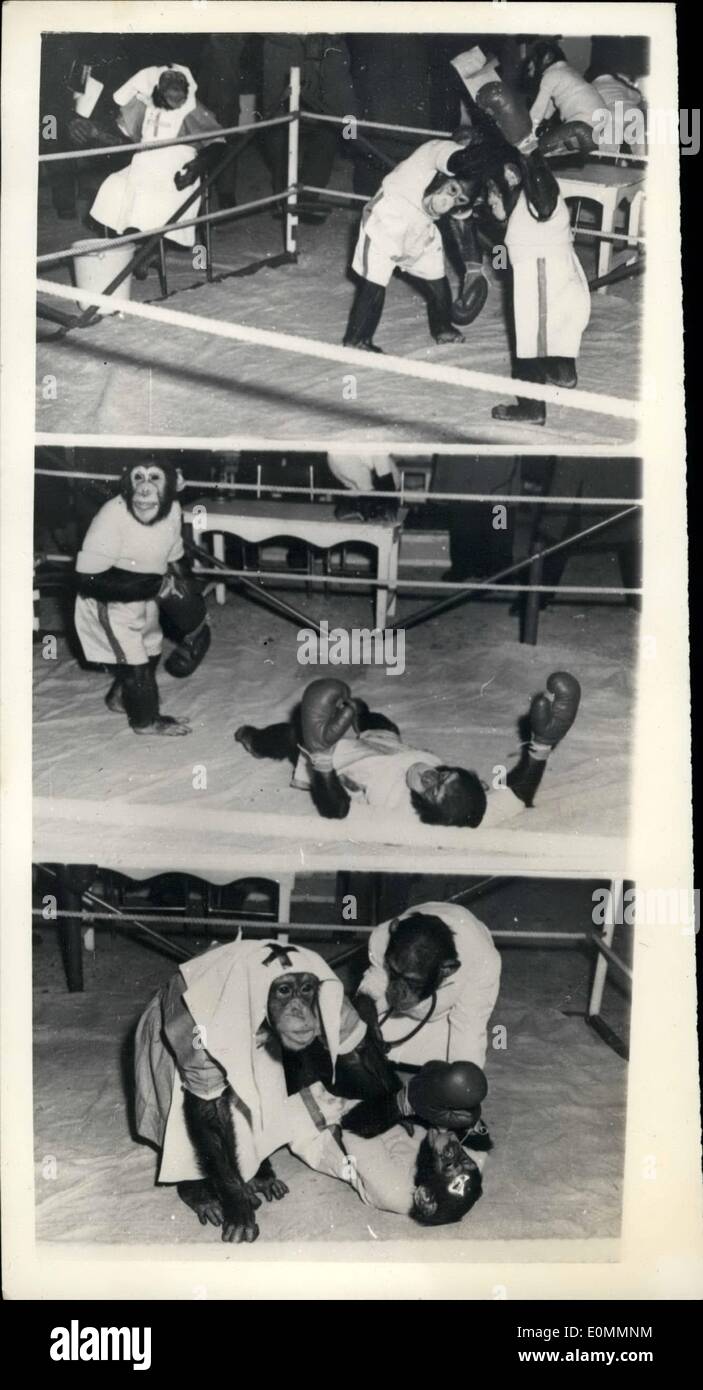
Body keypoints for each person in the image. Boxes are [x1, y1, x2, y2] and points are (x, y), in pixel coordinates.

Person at [235, 671, 581, 828]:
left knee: (287, 736)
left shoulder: (399, 819)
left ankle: (253, 740)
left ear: (423, 809)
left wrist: (322, 760)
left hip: (345, 760)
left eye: (430, 788)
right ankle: (358, 713)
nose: (431, 776)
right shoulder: (472, 812)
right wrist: (541, 748)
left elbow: (337, 811)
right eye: (444, 775)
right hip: (393, 748)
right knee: (379, 722)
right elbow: (518, 794)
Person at [73, 458, 211, 736]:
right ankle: (145, 722)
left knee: (151, 651)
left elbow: (175, 557)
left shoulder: (172, 509)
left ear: (174, 485)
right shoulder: (112, 515)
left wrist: (192, 609)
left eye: (154, 478)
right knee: (137, 665)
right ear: (127, 484)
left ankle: (119, 698)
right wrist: (153, 587)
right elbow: (88, 579)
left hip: (148, 592)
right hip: (108, 600)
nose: (144, 489)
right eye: (138, 478)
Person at [70, 64, 225, 276]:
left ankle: (154, 248)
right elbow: (122, 140)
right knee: (113, 187)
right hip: (143, 165)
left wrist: (198, 166)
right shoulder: (145, 107)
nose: (175, 88)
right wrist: (95, 132)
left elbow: (218, 142)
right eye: (169, 81)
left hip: (178, 169)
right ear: (155, 85)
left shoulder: (192, 108)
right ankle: (118, 251)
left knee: (156, 198)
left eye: (180, 82)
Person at [343, 133, 485, 350]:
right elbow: (460, 160)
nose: (448, 202)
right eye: (452, 190)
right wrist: (491, 153)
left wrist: (475, 270)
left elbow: (466, 229)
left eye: (458, 199)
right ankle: (357, 340)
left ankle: (442, 328)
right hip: (387, 219)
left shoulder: (466, 186)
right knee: (375, 283)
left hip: (422, 229)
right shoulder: (433, 153)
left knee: (438, 281)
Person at [356, 901, 501, 1069]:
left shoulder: (481, 961)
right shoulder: (384, 935)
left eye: (412, 982)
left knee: (460, 1074)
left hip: (447, 1018)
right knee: (351, 1032)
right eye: (394, 972)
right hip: (401, 1013)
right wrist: (365, 1011)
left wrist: (465, 1073)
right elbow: (376, 982)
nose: (398, 991)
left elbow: (469, 1024)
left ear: (447, 969)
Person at [524, 41, 606, 157]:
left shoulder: (550, 75)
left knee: (532, 151)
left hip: (582, 124)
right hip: (600, 127)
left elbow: (537, 111)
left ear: (547, 58)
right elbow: (551, 106)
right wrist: (543, 123)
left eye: (534, 60)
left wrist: (527, 135)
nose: (530, 65)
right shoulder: (569, 72)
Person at [326, 452, 400, 521]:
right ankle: (359, 507)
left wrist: (391, 504)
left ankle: (365, 507)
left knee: (390, 487)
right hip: (344, 461)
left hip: (369, 467)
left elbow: (389, 480)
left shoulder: (388, 471)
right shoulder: (348, 464)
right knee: (369, 506)